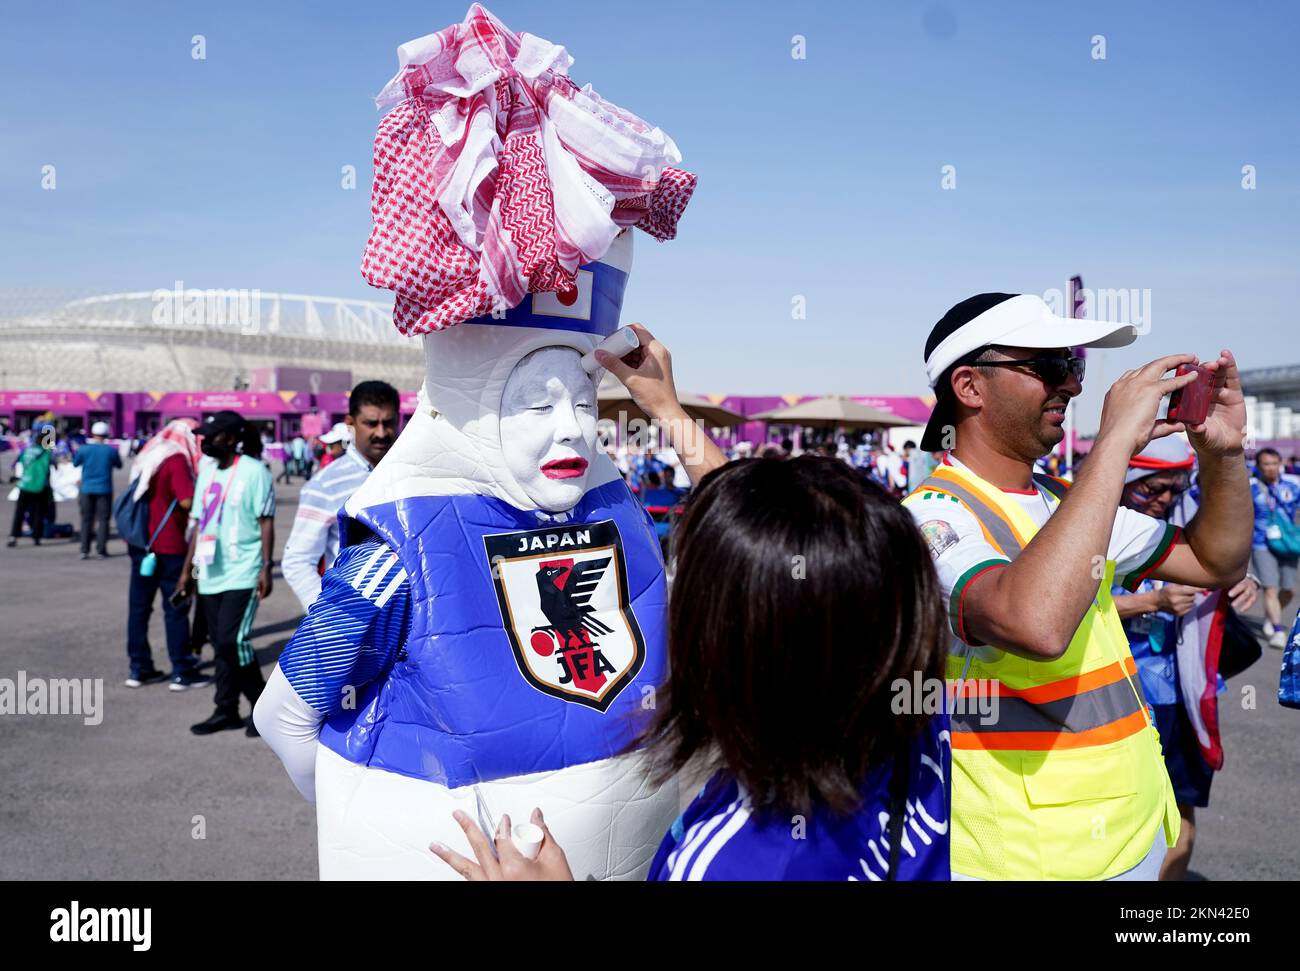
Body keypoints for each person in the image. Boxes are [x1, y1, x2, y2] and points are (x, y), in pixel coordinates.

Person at [430, 452, 952, 881]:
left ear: (726, 645)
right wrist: (668, 412)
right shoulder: (914, 725)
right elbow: (799, 556)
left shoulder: (732, 861)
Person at [902, 292, 1252, 881]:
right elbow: (1034, 625)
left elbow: (1216, 562)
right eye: (1049, 367)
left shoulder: (1065, 501)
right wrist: (1113, 443)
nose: (1073, 386)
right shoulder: (931, 516)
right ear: (968, 386)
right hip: (1027, 857)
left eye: (1075, 366)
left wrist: (1224, 455)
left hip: (1129, 835)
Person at [1110, 437, 1259, 880]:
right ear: (1125, 480)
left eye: (1174, 489)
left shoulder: (1189, 520)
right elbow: (1062, 607)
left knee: (1179, 807)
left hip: (1180, 695)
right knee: (1115, 810)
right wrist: (1151, 600)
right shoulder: (1088, 522)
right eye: (1151, 489)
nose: (1164, 500)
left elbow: (1220, 562)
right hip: (1114, 693)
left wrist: (1240, 582)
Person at [177, 411, 275, 736]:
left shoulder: (254, 471)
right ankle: (225, 709)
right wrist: (187, 573)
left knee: (233, 640)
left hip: (243, 570)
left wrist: (265, 567)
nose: (204, 441)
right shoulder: (206, 472)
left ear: (231, 439)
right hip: (210, 571)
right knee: (219, 645)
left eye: (212, 435)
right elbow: (200, 523)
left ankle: (262, 709)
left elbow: (265, 520)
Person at [281, 382, 399, 612]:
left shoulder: (413, 474)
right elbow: (298, 560)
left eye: (389, 423)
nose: (381, 433)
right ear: (350, 423)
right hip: (355, 617)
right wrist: (332, 616)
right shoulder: (325, 484)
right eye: (371, 423)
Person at [122, 419, 209, 690]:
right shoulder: (176, 460)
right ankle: (182, 669)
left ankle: (139, 667)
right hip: (169, 545)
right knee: (176, 608)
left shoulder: (150, 453)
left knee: (139, 609)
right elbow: (186, 500)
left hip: (141, 544)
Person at [1249, 447, 1300, 648]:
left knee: (1288, 590)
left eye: (1274, 463)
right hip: (1261, 543)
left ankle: (1271, 616)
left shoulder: (1292, 486)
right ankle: (1278, 630)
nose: (1270, 468)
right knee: (1270, 588)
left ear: (1280, 464)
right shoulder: (1251, 487)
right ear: (1259, 467)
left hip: (1287, 544)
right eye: (1266, 464)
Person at [73, 420, 122, 559]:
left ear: (92, 433)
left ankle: (84, 550)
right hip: (104, 489)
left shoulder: (84, 449)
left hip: (86, 488)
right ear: (106, 434)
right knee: (103, 520)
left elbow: (75, 463)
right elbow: (119, 464)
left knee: (86, 520)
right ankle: (101, 550)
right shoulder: (111, 451)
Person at [7, 423, 53, 547]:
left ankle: (14, 536)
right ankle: (36, 537)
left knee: (19, 512)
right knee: (39, 512)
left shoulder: (26, 451)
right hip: (40, 486)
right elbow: (50, 468)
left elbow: (21, 463)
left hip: (25, 484)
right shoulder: (46, 453)